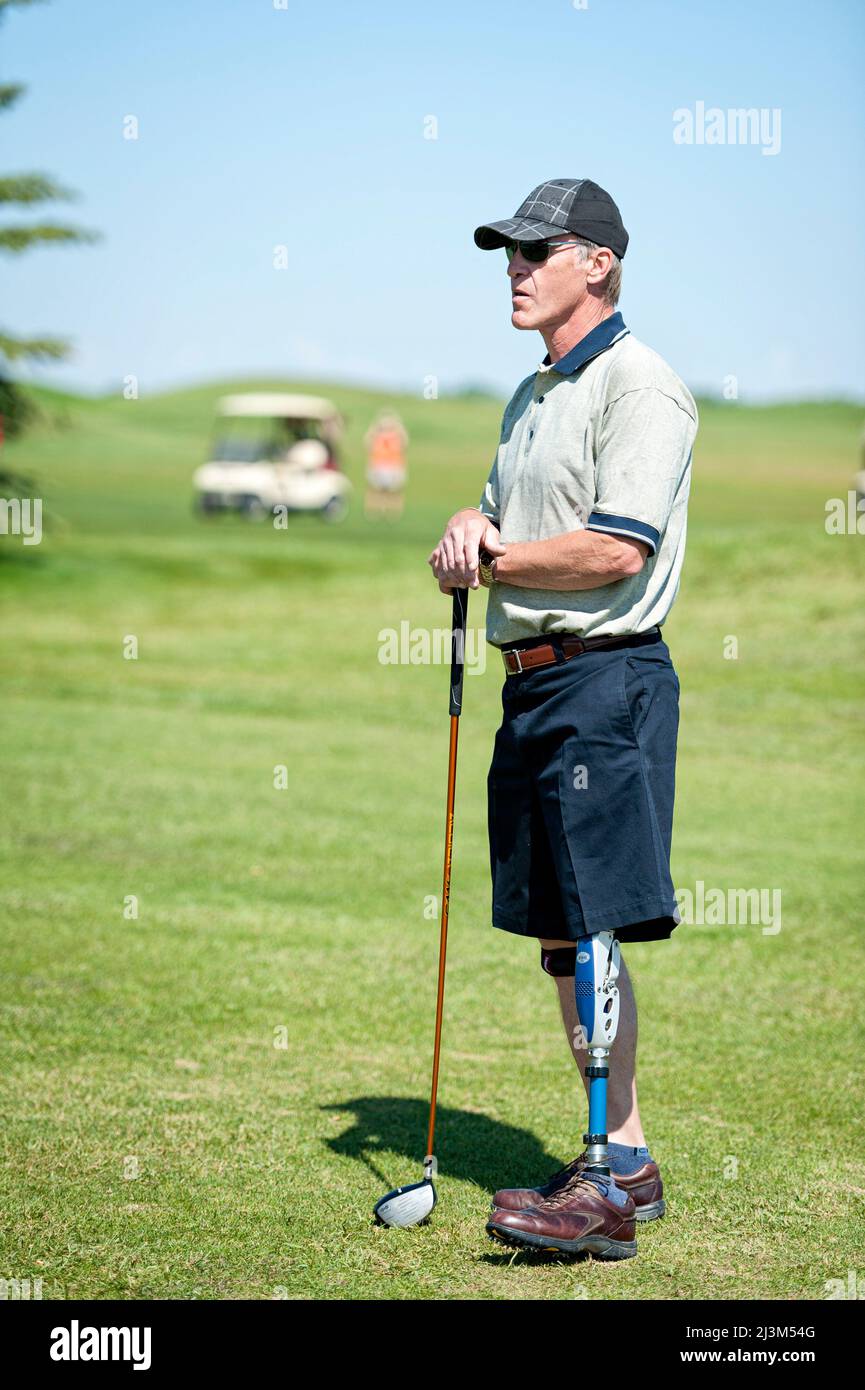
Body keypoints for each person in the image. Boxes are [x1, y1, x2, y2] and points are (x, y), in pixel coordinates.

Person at [427, 178, 698, 1257]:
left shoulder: (642, 385)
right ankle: (621, 1154)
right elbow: (507, 513)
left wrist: (495, 557)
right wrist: (468, 521)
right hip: (532, 683)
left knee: (591, 927)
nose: (516, 265)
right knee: (556, 931)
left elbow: (614, 547)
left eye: (538, 250)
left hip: (604, 677)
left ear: (598, 263)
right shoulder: (533, 392)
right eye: (509, 251)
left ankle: (612, 1179)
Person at [364, 411, 408, 518]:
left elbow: (405, 442)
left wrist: (397, 424)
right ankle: (374, 511)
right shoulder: (376, 435)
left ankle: (394, 512)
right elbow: (366, 442)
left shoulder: (396, 436)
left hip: (394, 465)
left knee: (394, 491)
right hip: (378, 465)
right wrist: (374, 426)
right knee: (376, 490)